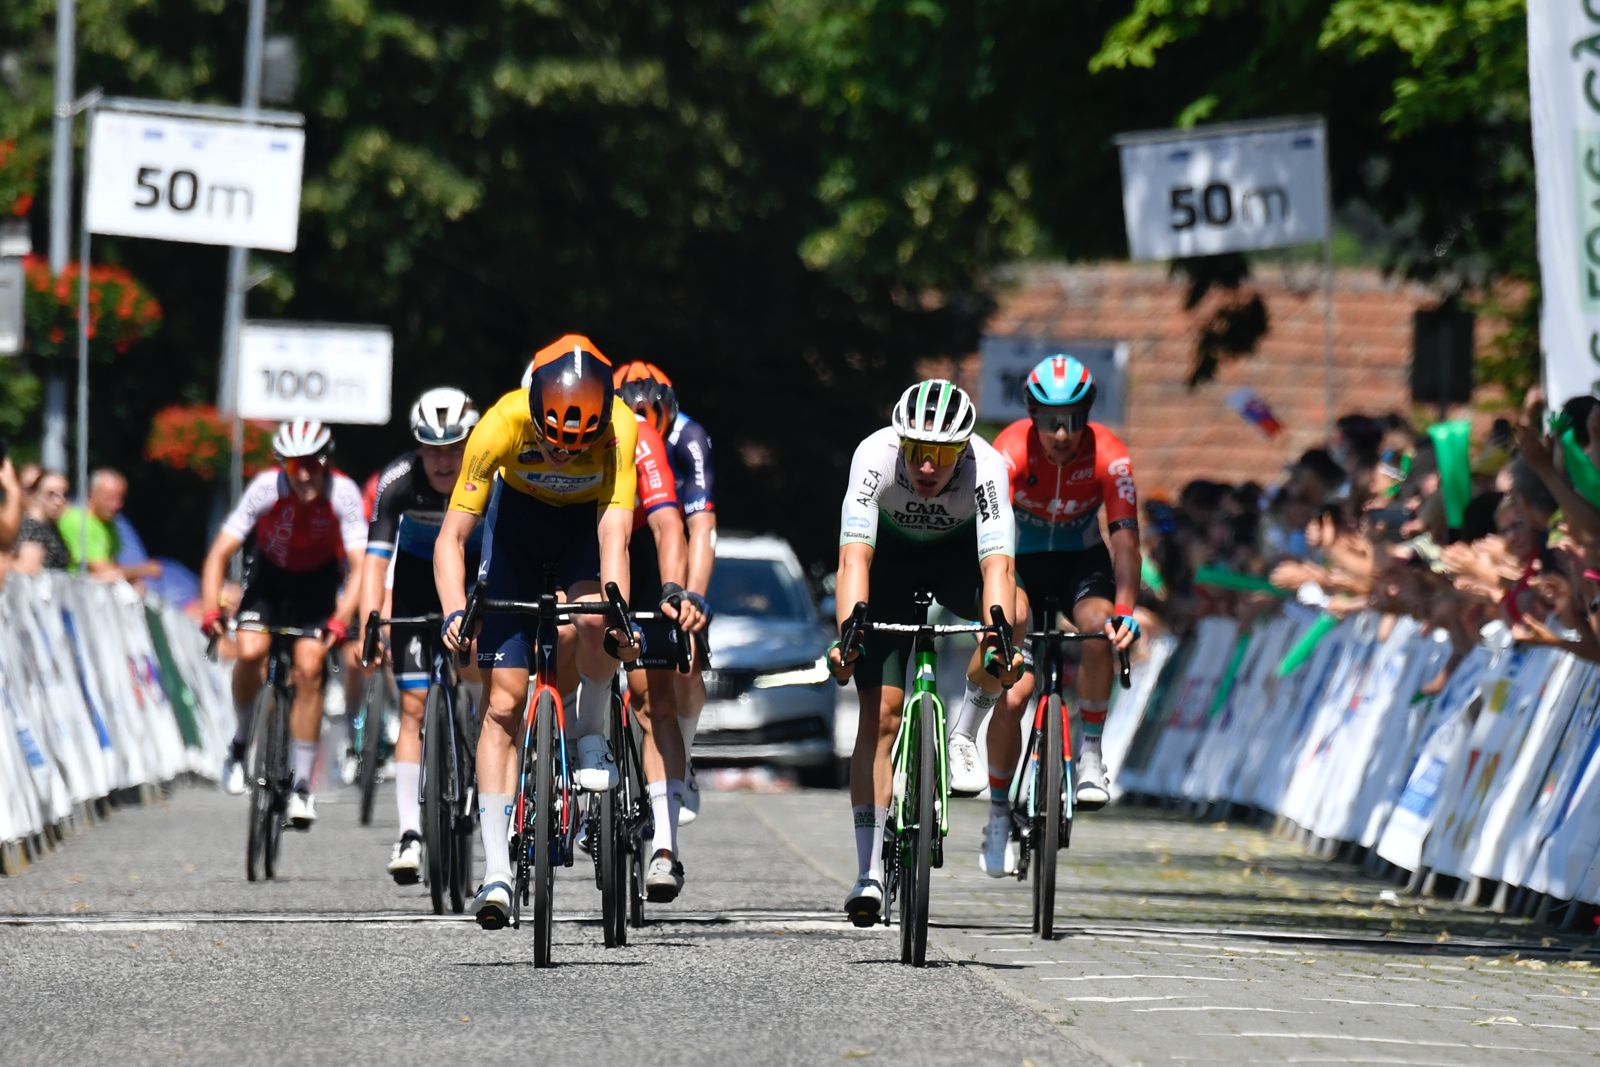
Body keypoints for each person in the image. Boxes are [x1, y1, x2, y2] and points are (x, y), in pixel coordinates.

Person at [436, 333, 650, 930]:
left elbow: (615, 537)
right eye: (552, 442)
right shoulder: (503, 420)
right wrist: (456, 612)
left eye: (574, 447)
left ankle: (589, 730)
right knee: (502, 701)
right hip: (515, 540)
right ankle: (497, 870)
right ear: (535, 416)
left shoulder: (621, 427)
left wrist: (619, 620)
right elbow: (452, 539)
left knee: (593, 618)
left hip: (583, 533)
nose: (561, 456)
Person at [828, 379, 1023, 926]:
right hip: (887, 564)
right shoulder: (874, 455)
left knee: (1018, 611)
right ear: (901, 444)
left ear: (962, 450)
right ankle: (867, 874)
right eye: (917, 452)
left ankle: (965, 734)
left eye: (940, 455)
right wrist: (850, 634)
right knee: (881, 715)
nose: (927, 467)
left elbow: (997, 569)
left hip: (956, 560)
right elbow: (853, 562)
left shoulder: (987, 468)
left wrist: (1001, 640)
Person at [982, 354, 1142, 875]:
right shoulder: (1006, 451)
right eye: (1049, 419)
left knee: (1100, 629)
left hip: (1079, 561)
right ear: (1031, 414)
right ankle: (1000, 811)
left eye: (1072, 418)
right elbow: (992, 545)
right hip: (1019, 561)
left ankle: (1091, 751)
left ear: (1086, 415)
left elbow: (1124, 539)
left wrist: (1126, 611)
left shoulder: (1109, 455)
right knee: (1016, 691)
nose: (1060, 432)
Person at [199, 420, 367, 830]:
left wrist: (342, 620)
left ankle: (302, 786)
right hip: (269, 580)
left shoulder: (342, 493)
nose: (304, 474)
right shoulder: (265, 488)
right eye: (295, 465)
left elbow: (362, 566)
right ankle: (239, 746)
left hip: (318, 583)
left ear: (325, 463)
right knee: (251, 650)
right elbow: (219, 553)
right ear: (283, 466)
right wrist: (210, 611)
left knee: (309, 669)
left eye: (312, 464)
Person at [358, 387, 481, 884]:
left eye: (454, 447)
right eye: (433, 448)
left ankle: (477, 750)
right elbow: (374, 559)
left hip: (471, 579)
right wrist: (372, 620)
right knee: (411, 708)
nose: (444, 459)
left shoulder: (483, 476)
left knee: (479, 678)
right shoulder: (398, 481)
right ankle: (409, 833)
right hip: (412, 583)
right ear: (418, 447)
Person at [613, 361, 716, 825]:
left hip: (666, 546)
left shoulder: (689, 439)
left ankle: (683, 758)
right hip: (620, 537)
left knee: (687, 661)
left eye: (655, 417)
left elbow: (701, 528)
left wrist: (692, 598)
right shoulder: (606, 437)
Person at [12, 469, 70, 574]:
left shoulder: (49, 527)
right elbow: (28, 570)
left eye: (64, 494)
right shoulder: (32, 530)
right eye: (51, 494)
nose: (59, 501)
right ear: (36, 495)